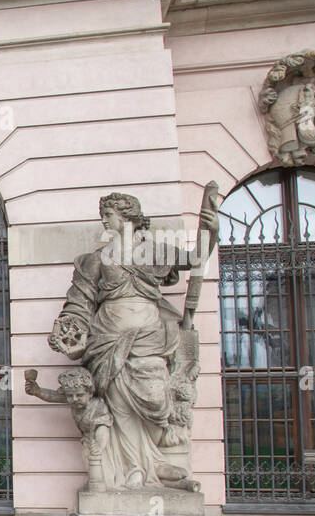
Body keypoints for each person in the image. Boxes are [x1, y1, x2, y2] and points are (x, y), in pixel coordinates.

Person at [49, 193, 217, 488]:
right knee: (119, 407)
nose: (104, 219)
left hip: (151, 337)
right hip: (108, 339)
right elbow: (79, 301)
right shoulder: (97, 259)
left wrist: (210, 232)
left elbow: (196, 259)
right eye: (103, 214)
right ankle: (134, 471)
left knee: (155, 398)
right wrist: (69, 331)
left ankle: (155, 462)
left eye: (109, 214)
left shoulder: (154, 251)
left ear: (127, 217)